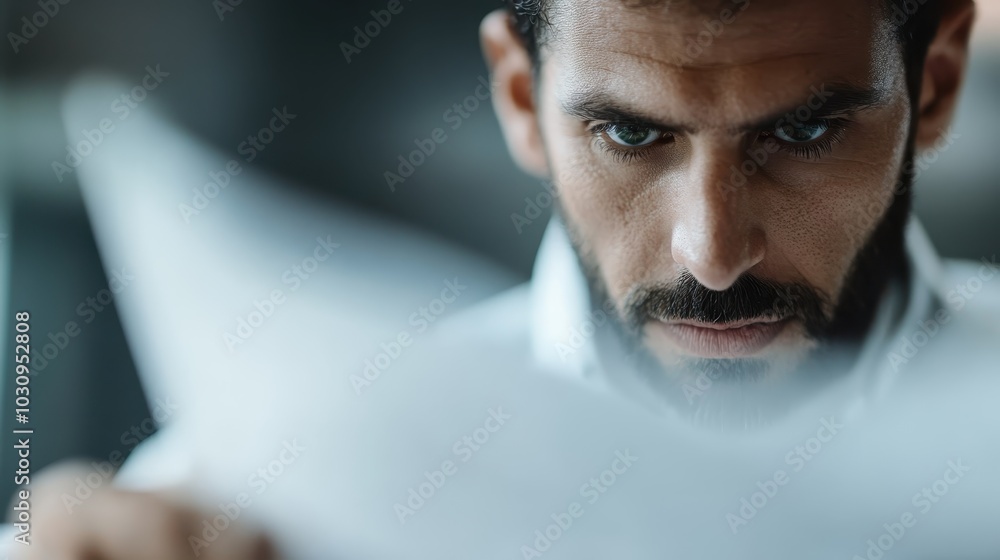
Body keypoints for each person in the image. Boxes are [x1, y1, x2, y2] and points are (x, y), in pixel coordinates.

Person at [15, 0, 998, 558]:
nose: (711, 250)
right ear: (521, 99)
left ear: (937, 81)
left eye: (803, 132)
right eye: (629, 133)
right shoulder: (284, 482)